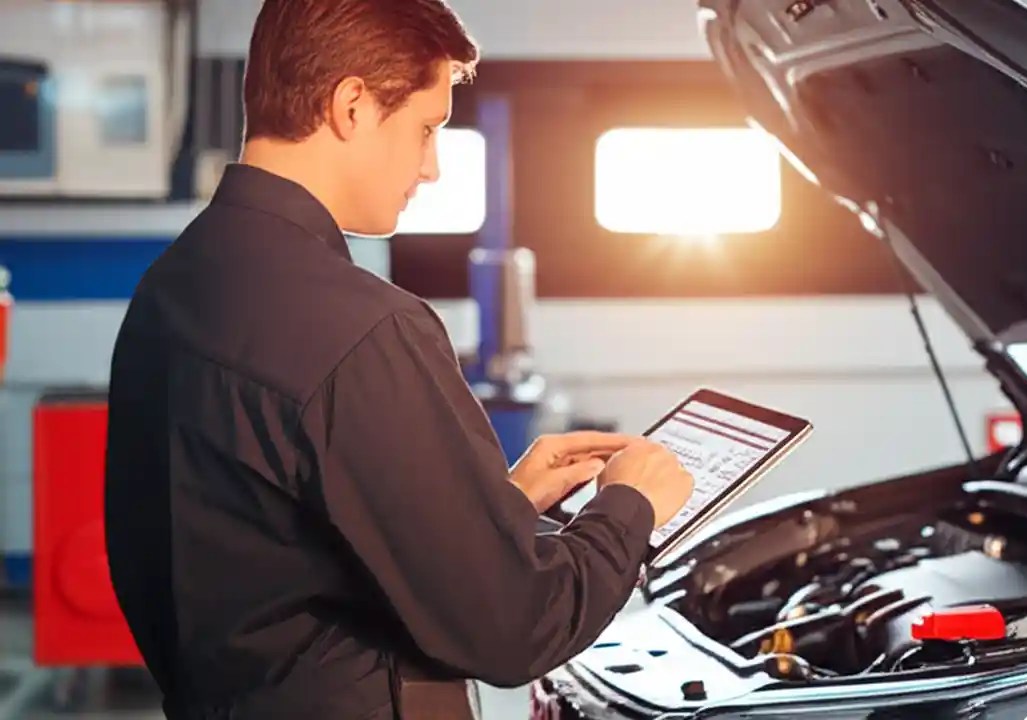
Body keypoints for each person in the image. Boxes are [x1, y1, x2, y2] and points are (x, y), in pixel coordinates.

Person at [102, 1, 695, 718]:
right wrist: (629, 506)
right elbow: (513, 628)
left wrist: (493, 507)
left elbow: (272, 544)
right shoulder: (367, 329)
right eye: (426, 128)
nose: (432, 166)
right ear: (351, 105)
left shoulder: (173, 287)